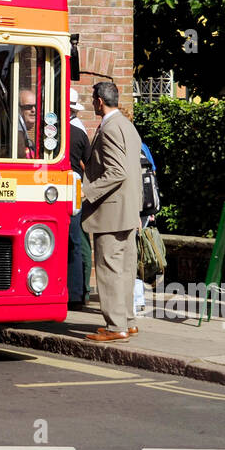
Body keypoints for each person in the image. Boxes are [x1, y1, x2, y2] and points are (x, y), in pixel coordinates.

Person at [80, 81, 143, 342]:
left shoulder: (110, 129)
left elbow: (118, 172)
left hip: (112, 211)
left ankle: (115, 326)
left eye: (93, 99)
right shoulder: (128, 126)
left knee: (108, 268)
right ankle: (127, 322)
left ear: (98, 101)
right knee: (125, 269)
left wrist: (88, 191)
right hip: (128, 210)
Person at [67, 109, 91, 309]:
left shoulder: (46, 131)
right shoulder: (79, 133)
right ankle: (76, 294)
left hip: (51, 190)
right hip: (74, 191)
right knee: (75, 243)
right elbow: (90, 164)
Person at [18, 89, 39, 159]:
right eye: (28, 107)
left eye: (36, 106)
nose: (34, 110)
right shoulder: (17, 133)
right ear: (18, 109)